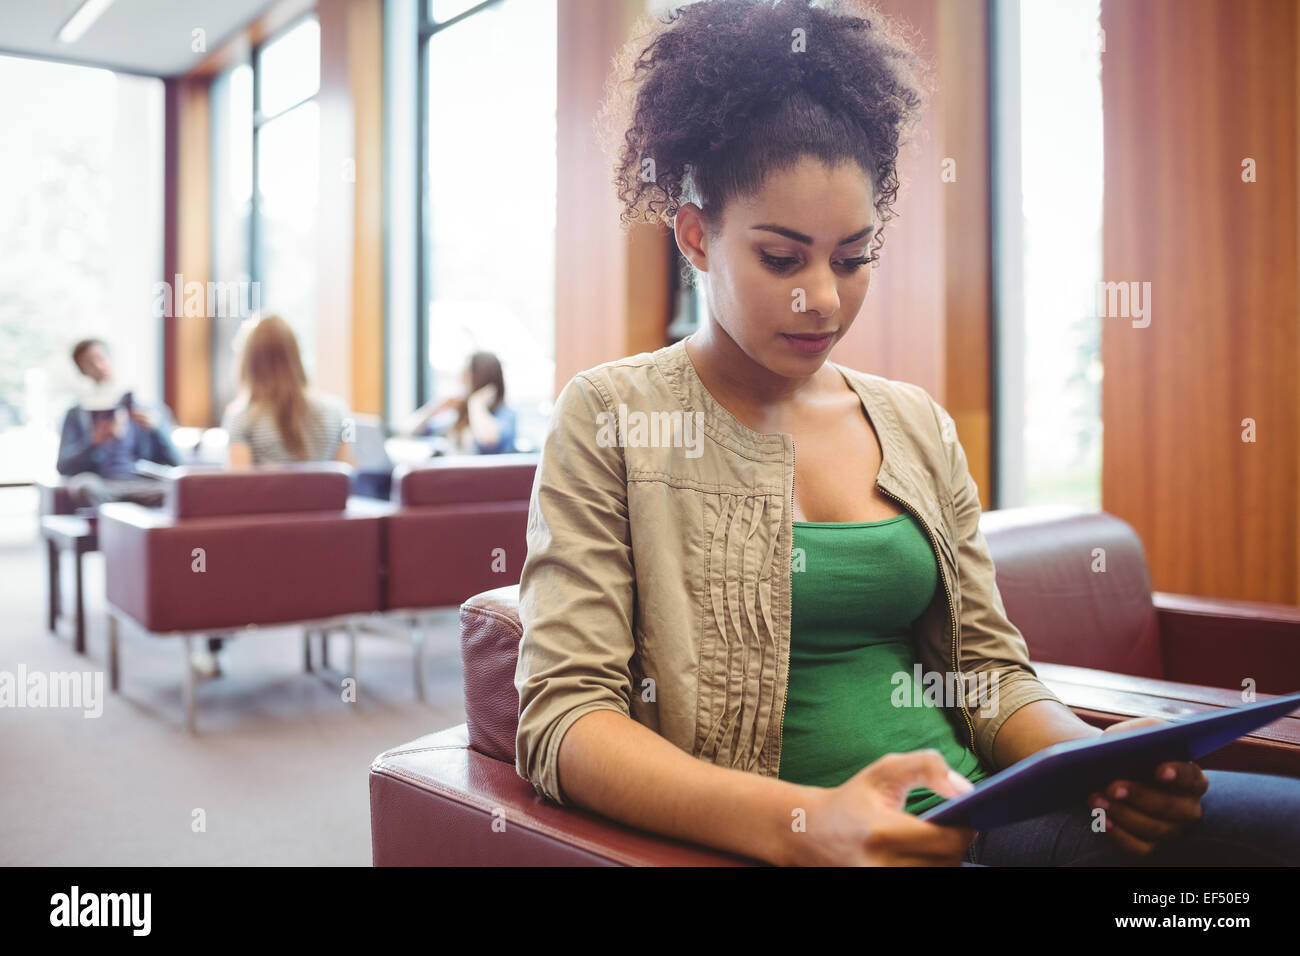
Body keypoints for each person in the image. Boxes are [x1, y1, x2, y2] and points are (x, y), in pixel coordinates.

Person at [513, 0, 1300, 867]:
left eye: (854, 258)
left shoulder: (914, 424)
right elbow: (565, 722)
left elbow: (990, 678)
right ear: (696, 236)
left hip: (986, 819)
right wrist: (806, 824)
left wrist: (1098, 762)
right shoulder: (612, 418)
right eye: (782, 259)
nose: (825, 298)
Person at [56, 339, 181, 508]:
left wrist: (156, 430)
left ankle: (119, 520)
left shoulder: (150, 409)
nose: (98, 366)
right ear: (82, 371)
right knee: (84, 486)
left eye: (100, 358)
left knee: (176, 491)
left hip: (141, 483)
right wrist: (94, 442)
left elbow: (177, 462)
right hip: (102, 485)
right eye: (89, 363)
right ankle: (115, 522)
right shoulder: (76, 414)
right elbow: (63, 466)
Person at [221, 314, 355, 468]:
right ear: (295, 355)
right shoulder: (339, 412)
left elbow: (239, 484)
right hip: (322, 493)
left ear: (248, 362)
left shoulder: (241, 418)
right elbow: (347, 475)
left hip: (265, 493)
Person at [401, 351, 516, 454]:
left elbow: (488, 440)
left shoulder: (505, 414)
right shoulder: (457, 414)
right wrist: (435, 407)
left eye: (467, 374)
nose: (461, 379)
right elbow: (408, 432)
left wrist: (476, 403)